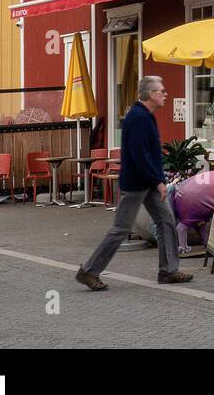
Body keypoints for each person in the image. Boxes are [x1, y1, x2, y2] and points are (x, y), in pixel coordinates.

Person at [77, 76, 193, 290]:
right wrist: (158, 181)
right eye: (162, 91)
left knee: (166, 221)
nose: (165, 94)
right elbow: (140, 155)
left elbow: (148, 153)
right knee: (121, 229)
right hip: (137, 183)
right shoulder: (139, 117)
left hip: (146, 181)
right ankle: (89, 271)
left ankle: (168, 270)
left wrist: (156, 179)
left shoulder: (145, 115)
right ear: (151, 94)